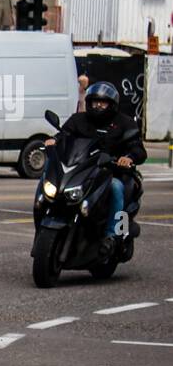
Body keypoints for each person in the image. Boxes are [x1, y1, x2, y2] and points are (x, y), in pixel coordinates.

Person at [45, 81, 146, 257]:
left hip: (112, 172)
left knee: (115, 188)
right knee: (51, 182)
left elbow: (138, 148)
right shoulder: (79, 120)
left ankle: (111, 235)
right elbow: (64, 135)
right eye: (94, 102)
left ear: (112, 104)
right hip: (83, 170)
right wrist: (54, 140)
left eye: (103, 102)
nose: (98, 105)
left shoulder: (124, 123)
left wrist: (128, 158)